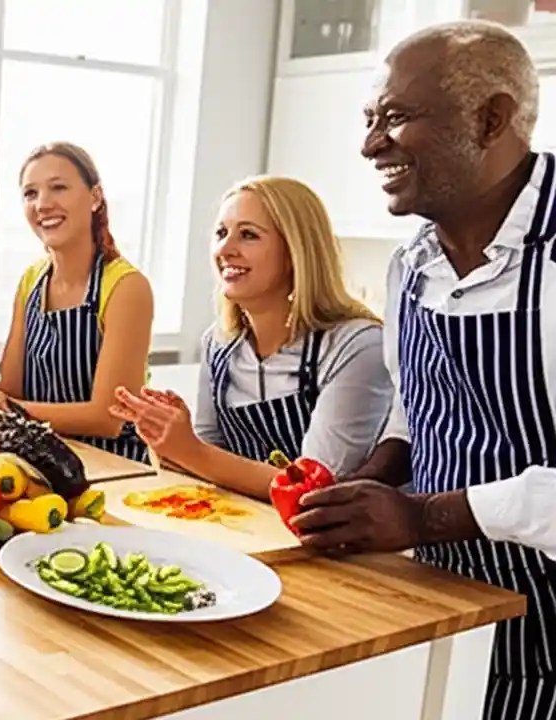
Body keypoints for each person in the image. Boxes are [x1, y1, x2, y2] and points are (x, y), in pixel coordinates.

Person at [289, 21, 555, 720]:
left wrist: (424, 517)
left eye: (396, 117)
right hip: (443, 610)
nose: (370, 144)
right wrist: (373, 478)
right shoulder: (410, 265)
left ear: (491, 119)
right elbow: (419, 406)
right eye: (369, 119)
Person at [107, 176, 392, 498]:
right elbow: (205, 467)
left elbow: (316, 488)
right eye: (221, 233)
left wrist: (190, 450)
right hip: (246, 521)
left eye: (248, 235)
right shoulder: (218, 345)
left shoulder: (356, 346)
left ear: (295, 252)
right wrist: (164, 437)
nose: (225, 250)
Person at [0, 142, 153, 461]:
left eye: (58, 187)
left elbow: (108, 417)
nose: (43, 204)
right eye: (30, 193)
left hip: (117, 466)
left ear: (95, 197)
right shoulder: (32, 280)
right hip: (43, 457)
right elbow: (14, 388)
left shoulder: (126, 287)